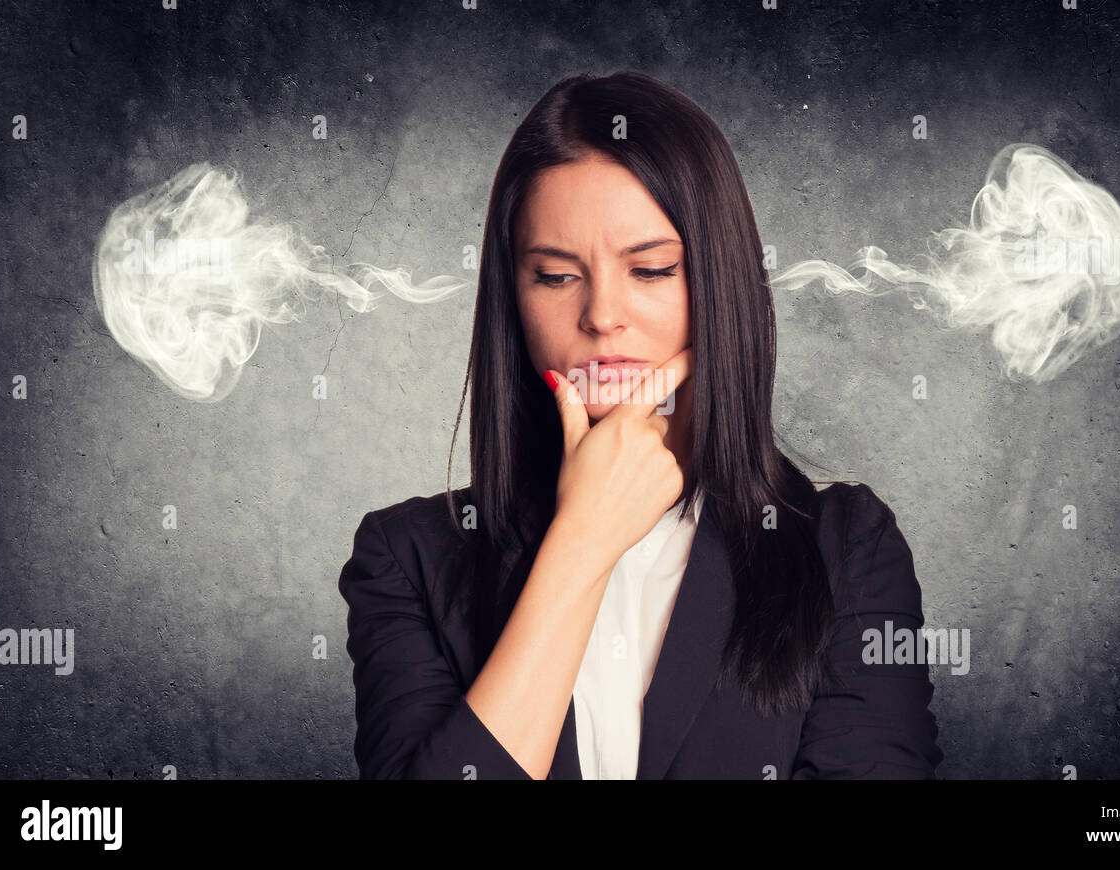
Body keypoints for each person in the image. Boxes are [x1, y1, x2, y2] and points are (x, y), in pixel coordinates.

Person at [338, 69, 943, 779]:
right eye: (556, 276)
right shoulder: (407, 557)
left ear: (719, 284)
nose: (601, 316)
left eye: (651, 269)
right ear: (515, 301)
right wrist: (582, 540)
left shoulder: (846, 550)